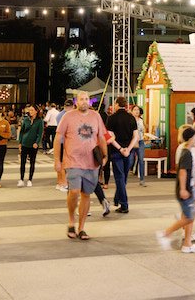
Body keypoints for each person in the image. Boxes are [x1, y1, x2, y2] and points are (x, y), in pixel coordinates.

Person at [55, 91, 108, 240]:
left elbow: (101, 137)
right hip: (73, 161)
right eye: (81, 99)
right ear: (76, 101)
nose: (84, 101)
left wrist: (105, 155)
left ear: (89, 101)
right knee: (75, 191)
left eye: (86, 99)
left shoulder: (96, 116)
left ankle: (81, 227)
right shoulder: (68, 116)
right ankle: (71, 220)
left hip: (91, 163)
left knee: (86, 194)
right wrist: (57, 161)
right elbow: (58, 138)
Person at [156, 127, 195, 254]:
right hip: (186, 189)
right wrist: (183, 189)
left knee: (190, 215)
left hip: (189, 188)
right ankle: (165, 233)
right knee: (189, 217)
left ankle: (187, 245)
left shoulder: (187, 151)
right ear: (191, 139)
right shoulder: (186, 153)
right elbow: (182, 172)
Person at [106, 96, 139, 213]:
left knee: (119, 178)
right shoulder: (131, 118)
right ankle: (117, 199)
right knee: (123, 178)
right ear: (125, 105)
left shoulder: (111, 118)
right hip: (128, 153)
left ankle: (124, 205)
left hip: (116, 151)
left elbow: (109, 137)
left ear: (116, 104)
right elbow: (136, 136)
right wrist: (128, 149)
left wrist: (120, 149)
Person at [18, 105, 44, 187]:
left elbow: (40, 134)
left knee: (32, 162)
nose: (30, 111)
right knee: (22, 162)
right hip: (25, 143)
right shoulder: (26, 119)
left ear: (36, 111)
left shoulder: (40, 121)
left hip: (33, 145)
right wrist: (20, 142)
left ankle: (30, 179)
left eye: (32, 110)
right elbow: (22, 131)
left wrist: (37, 142)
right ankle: (21, 179)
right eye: (29, 110)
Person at [130, 104, 148, 186]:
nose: (137, 111)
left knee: (141, 160)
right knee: (130, 161)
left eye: (138, 110)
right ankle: (123, 178)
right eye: (135, 110)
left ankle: (142, 180)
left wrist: (145, 136)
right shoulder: (129, 120)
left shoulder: (141, 120)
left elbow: (143, 130)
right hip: (131, 142)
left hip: (140, 142)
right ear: (131, 111)